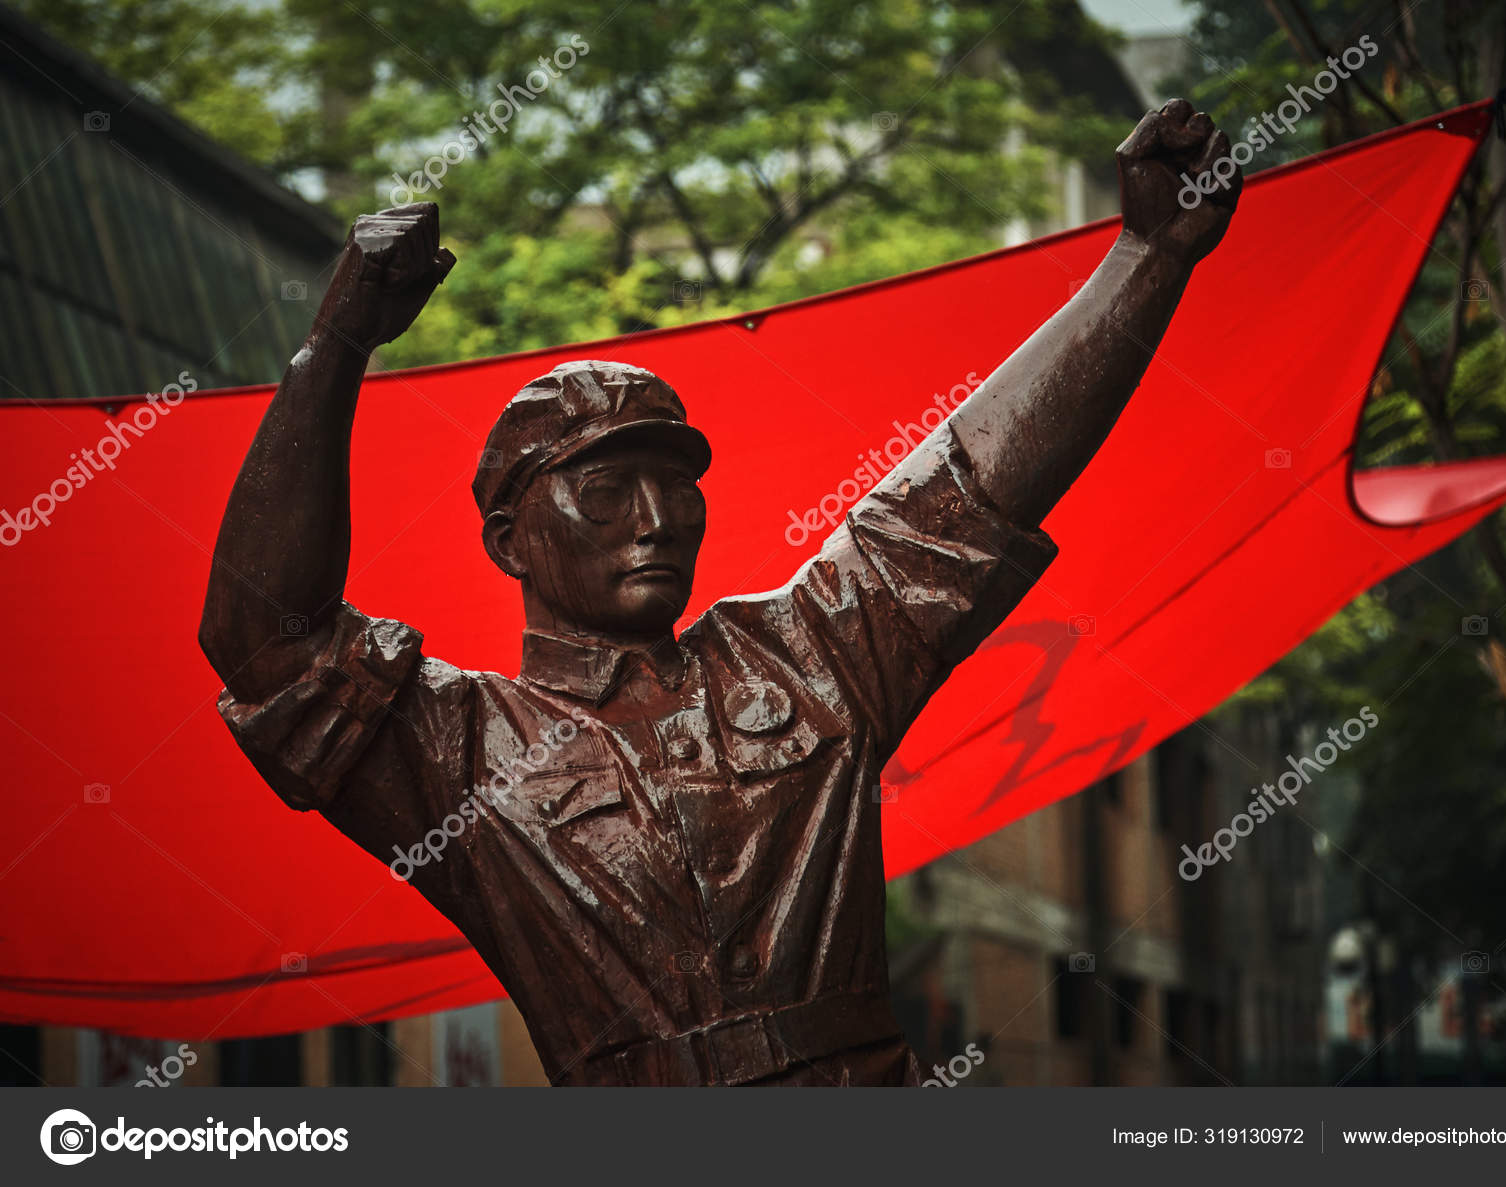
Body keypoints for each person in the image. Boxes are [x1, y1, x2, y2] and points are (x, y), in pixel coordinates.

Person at [199, 98, 1237, 1086]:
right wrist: (334, 348)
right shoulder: (456, 747)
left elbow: (967, 485)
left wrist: (1142, 261)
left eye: (675, 485)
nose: (655, 517)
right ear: (511, 542)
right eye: (606, 491)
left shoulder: (806, 655)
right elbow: (265, 642)